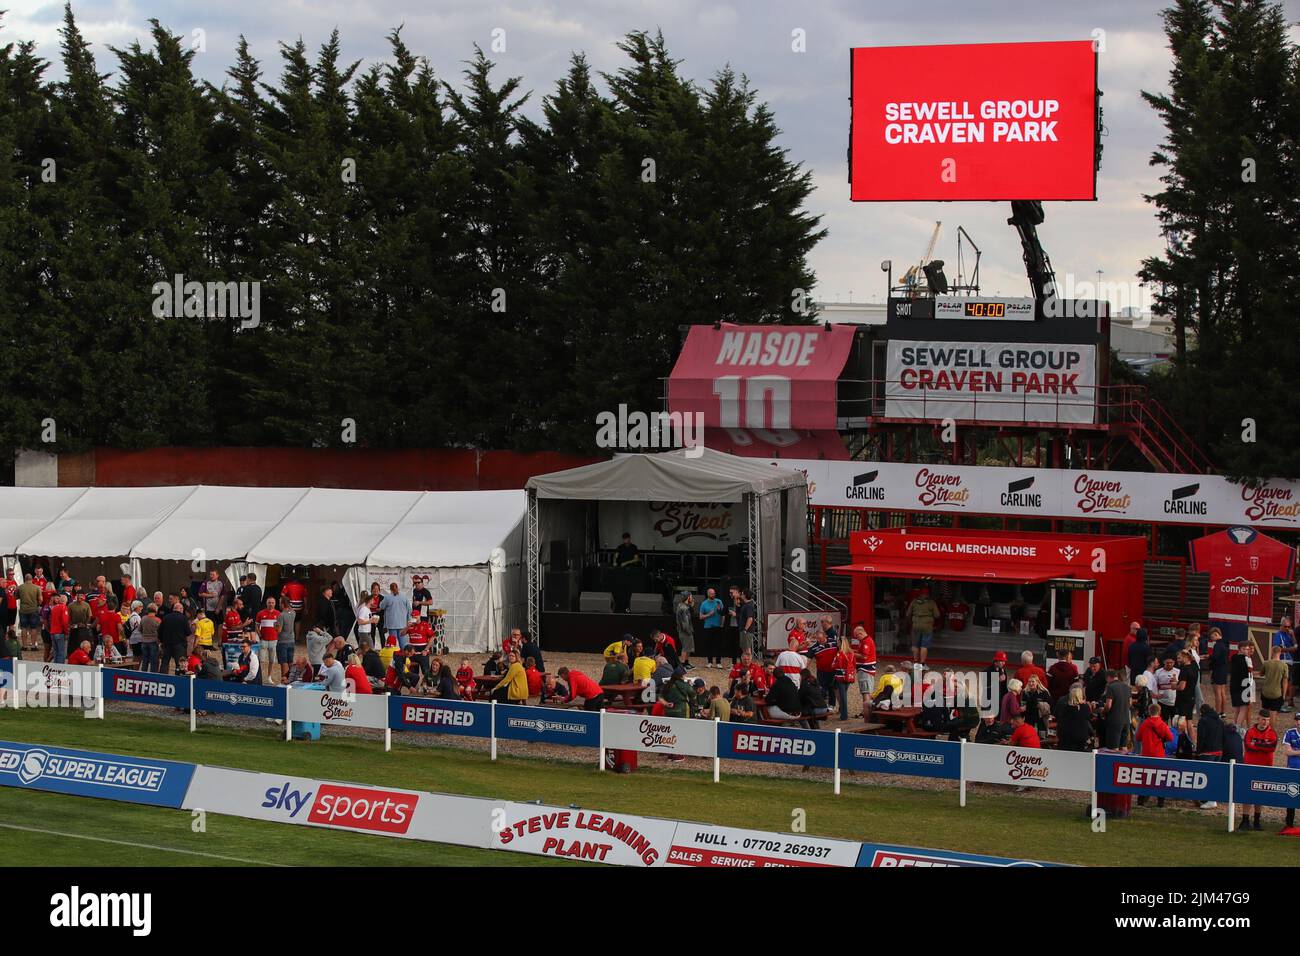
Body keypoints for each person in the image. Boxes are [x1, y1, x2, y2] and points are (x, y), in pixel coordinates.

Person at [1240, 710, 1279, 831]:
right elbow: (1248, 747)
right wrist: (1263, 746)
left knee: (1259, 794)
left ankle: (1257, 821)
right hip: (1250, 767)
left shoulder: (1272, 733)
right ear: (1258, 719)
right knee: (1247, 794)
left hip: (1264, 768)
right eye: (1263, 719)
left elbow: (1271, 748)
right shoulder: (1250, 731)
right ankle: (1245, 820)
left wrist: (1256, 744)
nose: (1265, 722)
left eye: (1267, 720)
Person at [1135, 702, 1174, 808]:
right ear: (1159, 712)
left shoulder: (1145, 724)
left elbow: (1138, 737)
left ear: (1149, 712)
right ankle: (1160, 802)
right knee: (1160, 779)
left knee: (1145, 778)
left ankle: (1141, 800)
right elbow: (1170, 737)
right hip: (1159, 754)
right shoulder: (1162, 724)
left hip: (1146, 754)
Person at [905, 584, 940, 666]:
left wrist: (912, 622)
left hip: (916, 625)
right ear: (928, 594)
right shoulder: (931, 602)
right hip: (927, 626)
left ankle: (915, 662)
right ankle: (922, 663)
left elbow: (908, 614)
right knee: (924, 645)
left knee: (915, 645)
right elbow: (937, 615)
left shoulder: (914, 601)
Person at [1055, 686, 1094, 752]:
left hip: (1067, 738)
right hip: (1082, 737)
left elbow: (1060, 720)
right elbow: (1090, 718)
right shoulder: (1085, 707)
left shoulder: (1066, 708)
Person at [1102, 669, 1132, 750]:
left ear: (1108, 677)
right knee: (1124, 746)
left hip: (1114, 720)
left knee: (1114, 748)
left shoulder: (1111, 687)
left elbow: (1108, 705)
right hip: (1126, 720)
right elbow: (1130, 703)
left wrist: (1103, 712)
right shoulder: (1127, 687)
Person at [254, 597, 282, 687]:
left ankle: (269, 676)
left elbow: (280, 627)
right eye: (269, 602)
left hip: (274, 640)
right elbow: (257, 626)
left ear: (275, 603)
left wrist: (277, 632)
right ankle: (259, 677)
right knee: (261, 660)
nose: (271, 604)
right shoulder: (260, 613)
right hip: (264, 640)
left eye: (272, 602)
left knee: (271, 660)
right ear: (266, 603)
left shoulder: (278, 614)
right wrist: (260, 635)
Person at [1174, 649, 1200, 744]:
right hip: (1191, 697)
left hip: (1183, 699)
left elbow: (1181, 687)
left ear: (1186, 658)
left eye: (1180, 658)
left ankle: (1181, 743)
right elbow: (1193, 659)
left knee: (1180, 723)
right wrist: (1188, 653)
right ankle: (1193, 743)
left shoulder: (1184, 669)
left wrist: (1174, 686)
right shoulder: (1194, 666)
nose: (1178, 660)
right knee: (1189, 722)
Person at [850, 626, 877, 715]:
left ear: (860, 633)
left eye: (856, 636)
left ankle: (866, 712)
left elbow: (864, 656)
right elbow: (861, 652)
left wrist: (852, 653)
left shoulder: (866, 642)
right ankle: (867, 711)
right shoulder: (865, 641)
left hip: (865, 669)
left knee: (865, 692)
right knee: (867, 691)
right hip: (867, 670)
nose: (856, 638)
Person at [158, 602, 190, 676]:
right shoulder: (183, 618)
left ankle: (163, 679)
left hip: (167, 644)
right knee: (180, 664)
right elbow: (188, 632)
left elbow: (160, 631)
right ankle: (179, 680)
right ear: (181, 609)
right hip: (179, 644)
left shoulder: (166, 617)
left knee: (164, 663)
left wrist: (162, 641)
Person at [1230, 641, 1255, 727]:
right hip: (1244, 686)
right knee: (1243, 708)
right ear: (1240, 649)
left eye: (1247, 649)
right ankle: (1238, 727)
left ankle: (1235, 726)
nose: (1247, 651)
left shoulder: (1234, 658)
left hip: (1234, 686)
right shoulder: (1245, 659)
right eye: (1245, 649)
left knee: (1237, 709)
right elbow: (1248, 673)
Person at [379, 582, 411, 649]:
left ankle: (393, 658)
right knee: (403, 644)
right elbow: (409, 609)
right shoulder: (404, 596)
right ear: (397, 588)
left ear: (390, 589)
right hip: (402, 624)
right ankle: (404, 657)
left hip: (392, 624)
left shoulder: (387, 597)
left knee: (392, 643)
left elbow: (381, 606)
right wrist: (408, 620)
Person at [698, 587, 724, 667]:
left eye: (714, 593)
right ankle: (710, 662)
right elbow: (700, 617)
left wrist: (722, 623)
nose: (713, 595)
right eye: (712, 593)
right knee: (709, 645)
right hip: (708, 627)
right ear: (708, 594)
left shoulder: (719, 601)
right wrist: (709, 614)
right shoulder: (704, 604)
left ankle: (718, 662)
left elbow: (723, 613)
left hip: (717, 626)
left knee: (718, 645)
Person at [1206, 626, 1230, 716]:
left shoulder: (1218, 645)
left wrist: (1209, 657)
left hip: (1218, 670)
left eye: (1212, 637)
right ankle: (1223, 712)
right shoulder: (1226, 643)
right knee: (1223, 692)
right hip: (1224, 669)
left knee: (1217, 693)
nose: (1212, 640)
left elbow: (1215, 657)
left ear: (1216, 634)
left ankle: (1217, 712)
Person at [1283, 713, 1300, 830]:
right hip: (1292, 769)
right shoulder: (1290, 733)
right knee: (1291, 795)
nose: (1298, 722)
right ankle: (1289, 824)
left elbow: (1291, 751)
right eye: (1297, 720)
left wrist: (1295, 751)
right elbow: (1287, 752)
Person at [1259, 645, 1288, 713]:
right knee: (1274, 713)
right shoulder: (1284, 665)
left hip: (1265, 691)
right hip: (1277, 693)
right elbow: (1285, 682)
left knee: (1265, 713)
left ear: (1272, 652)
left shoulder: (1266, 663)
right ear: (1280, 652)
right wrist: (1284, 695)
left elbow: (1261, 674)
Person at [1154, 656, 1180, 722]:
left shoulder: (1178, 671)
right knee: (1163, 722)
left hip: (1175, 702)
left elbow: (1182, 685)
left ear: (1174, 663)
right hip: (1162, 702)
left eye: (1171, 662)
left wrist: (1176, 681)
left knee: (1175, 722)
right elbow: (1154, 686)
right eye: (1167, 662)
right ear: (1163, 662)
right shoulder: (1158, 672)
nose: (1169, 664)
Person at [674, 593, 695, 670]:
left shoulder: (685, 606)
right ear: (688, 597)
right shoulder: (683, 608)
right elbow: (684, 622)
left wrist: (691, 606)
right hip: (685, 631)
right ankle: (682, 664)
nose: (692, 598)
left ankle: (686, 662)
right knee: (685, 647)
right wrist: (688, 631)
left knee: (688, 647)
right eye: (691, 597)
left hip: (686, 630)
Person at [47, 594, 70, 665]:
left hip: (53, 632)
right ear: (65, 601)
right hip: (60, 632)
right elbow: (64, 622)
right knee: (61, 653)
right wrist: (67, 632)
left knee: (56, 652)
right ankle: (59, 669)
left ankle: (55, 668)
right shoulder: (64, 607)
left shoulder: (54, 608)